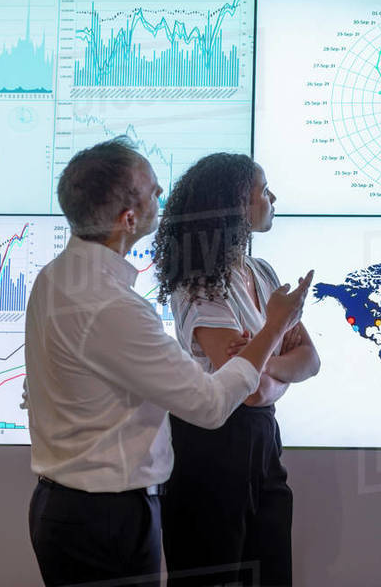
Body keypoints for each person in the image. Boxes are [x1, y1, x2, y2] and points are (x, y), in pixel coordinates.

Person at [24, 137, 312, 587]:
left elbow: (302, 362)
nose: (163, 194)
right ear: (128, 218)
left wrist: (261, 358)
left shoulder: (56, 278)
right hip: (104, 514)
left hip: (82, 508)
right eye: (152, 190)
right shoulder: (113, 305)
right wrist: (276, 328)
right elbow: (214, 404)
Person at [153, 153, 320, 587]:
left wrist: (262, 358)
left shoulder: (262, 272)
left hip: (264, 443)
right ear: (235, 205)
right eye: (263, 191)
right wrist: (276, 342)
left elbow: (310, 361)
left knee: (271, 572)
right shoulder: (198, 284)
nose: (273, 198)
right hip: (211, 445)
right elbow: (247, 391)